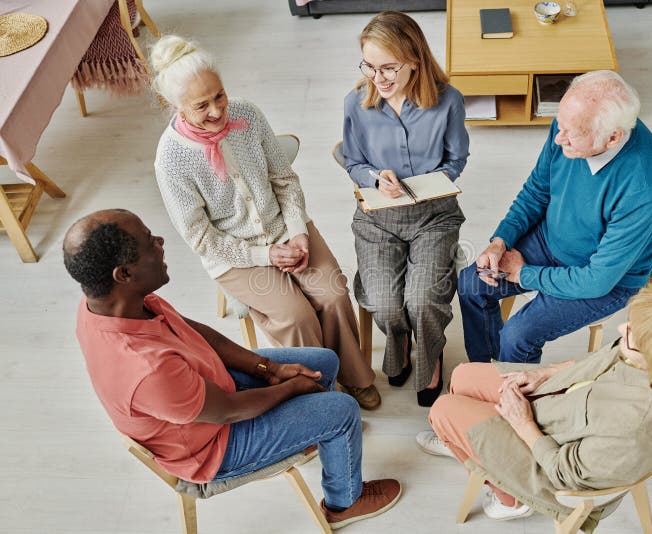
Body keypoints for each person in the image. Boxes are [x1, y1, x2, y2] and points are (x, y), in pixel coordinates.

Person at [63, 209, 401, 528]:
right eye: (150, 240)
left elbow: (193, 331)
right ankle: (344, 503)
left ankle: (318, 436)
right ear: (123, 274)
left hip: (206, 391)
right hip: (212, 447)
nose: (161, 242)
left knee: (324, 360)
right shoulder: (147, 369)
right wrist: (289, 388)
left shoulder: (116, 303)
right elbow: (228, 412)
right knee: (341, 410)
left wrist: (268, 368)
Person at [150, 35, 380, 410]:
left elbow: (284, 180)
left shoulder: (248, 115)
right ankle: (320, 394)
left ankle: (355, 378)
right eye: (201, 105)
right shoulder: (171, 160)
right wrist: (267, 254)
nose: (216, 111)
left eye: (219, 96)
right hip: (236, 255)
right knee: (296, 314)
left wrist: (298, 232)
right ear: (173, 105)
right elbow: (201, 237)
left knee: (334, 294)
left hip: (285, 228)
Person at [417, 283, 652, 526]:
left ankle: (510, 498)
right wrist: (543, 373)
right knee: (461, 377)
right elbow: (599, 360)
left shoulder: (637, 431)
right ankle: (466, 445)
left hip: (554, 461)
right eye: (629, 324)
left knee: (443, 411)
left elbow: (565, 474)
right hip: (562, 402)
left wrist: (523, 423)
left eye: (631, 335)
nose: (621, 331)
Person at [458, 70, 652, 364]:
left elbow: (597, 280)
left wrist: (525, 274)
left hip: (604, 278)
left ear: (613, 138)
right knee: (471, 284)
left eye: (571, 134)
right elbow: (536, 191)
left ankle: (511, 399)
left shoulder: (644, 184)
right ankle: (485, 374)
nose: (558, 138)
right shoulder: (569, 127)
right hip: (552, 240)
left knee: (517, 336)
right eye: (560, 125)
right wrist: (500, 241)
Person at [343, 12, 469, 406]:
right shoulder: (356, 103)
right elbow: (351, 161)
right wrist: (373, 177)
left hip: (435, 216)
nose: (377, 78)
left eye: (388, 67)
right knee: (384, 300)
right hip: (378, 220)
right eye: (369, 66)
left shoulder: (447, 101)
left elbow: (456, 159)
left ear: (414, 58)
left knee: (423, 299)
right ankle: (398, 343)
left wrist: (429, 182)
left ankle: (430, 357)